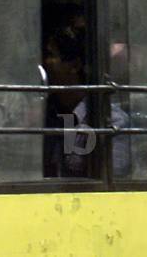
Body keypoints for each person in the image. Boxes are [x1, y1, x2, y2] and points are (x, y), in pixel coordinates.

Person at [42, 13, 91, 178]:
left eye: (51, 56)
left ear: (75, 65)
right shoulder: (49, 115)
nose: (45, 63)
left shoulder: (107, 120)